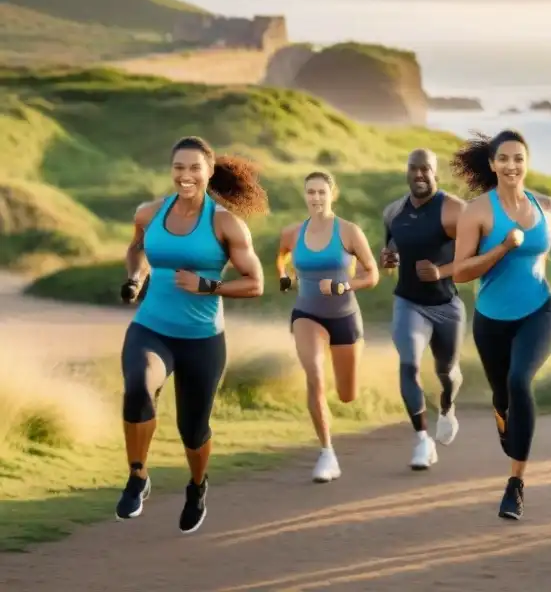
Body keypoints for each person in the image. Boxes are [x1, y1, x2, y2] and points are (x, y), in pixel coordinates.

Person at [115, 136, 268, 533]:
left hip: (202, 339)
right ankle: (137, 476)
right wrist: (135, 277)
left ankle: (197, 486)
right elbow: (137, 248)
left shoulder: (225, 224)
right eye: (179, 167)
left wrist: (209, 286)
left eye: (195, 168)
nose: (186, 175)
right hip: (151, 328)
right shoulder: (149, 213)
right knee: (138, 388)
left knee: (193, 429)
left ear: (209, 172)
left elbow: (255, 283)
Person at [451, 129, 551, 520]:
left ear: (527, 162)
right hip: (491, 320)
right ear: (492, 164)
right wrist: (503, 247)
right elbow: (460, 273)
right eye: (503, 158)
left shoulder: (546, 205)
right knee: (503, 393)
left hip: (538, 311)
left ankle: (515, 484)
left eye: (518, 158)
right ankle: (501, 411)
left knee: (520, 381)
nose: (511, 165)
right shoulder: (477, 212)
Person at [276, 171, 380, 483]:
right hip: (307, 314)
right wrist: (284, 276)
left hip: (344, 316)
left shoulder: (348, 231)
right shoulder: (292, 233)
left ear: (332, 194)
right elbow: (281, 257)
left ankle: (335, 431)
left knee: (347, 394)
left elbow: (371, 274)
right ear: (304, 195)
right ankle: (327, 452)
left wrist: (343, 286)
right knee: (315, 377)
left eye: (322, 192)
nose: (316, 198)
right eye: (311, 192)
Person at [380, 149, 467, 471]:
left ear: (435, 174)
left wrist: (441, 272)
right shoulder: (393, 212)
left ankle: (447, 407)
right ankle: (422, 441)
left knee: (447, 371)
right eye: (413, 168)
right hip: (409, 303)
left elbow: (474, 259)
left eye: (425, 169)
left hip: (446, 305)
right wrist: (389, 258)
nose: (419, 174)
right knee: (409, 364)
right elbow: (391, 248)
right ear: (407, 172)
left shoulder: (455, 210)